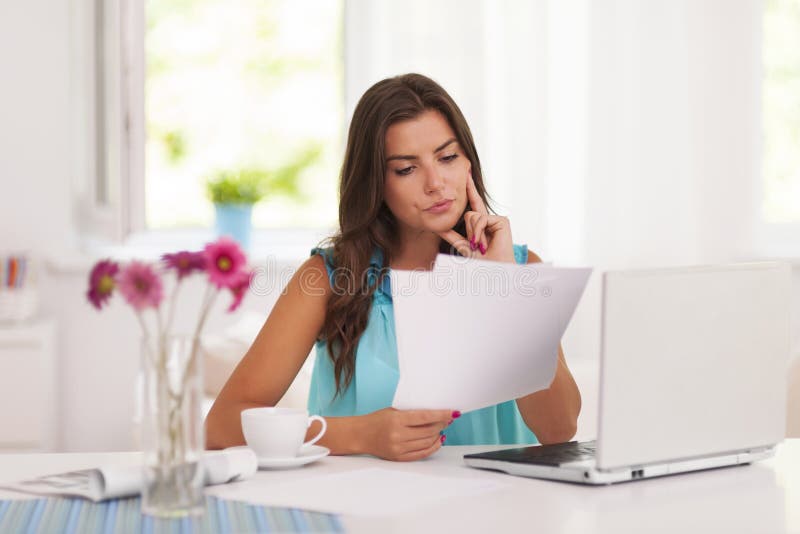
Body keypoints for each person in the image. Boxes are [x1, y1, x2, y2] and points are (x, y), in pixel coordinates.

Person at [205, 73, 581, 461]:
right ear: (376, 183)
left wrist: (502, 287)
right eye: (406, 169)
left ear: (469, 161)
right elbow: (221, 427)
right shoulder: (327, 279)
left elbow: (560, 429)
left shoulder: (521, 267)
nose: (436, 183)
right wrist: (361, 435)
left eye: (448, 157)